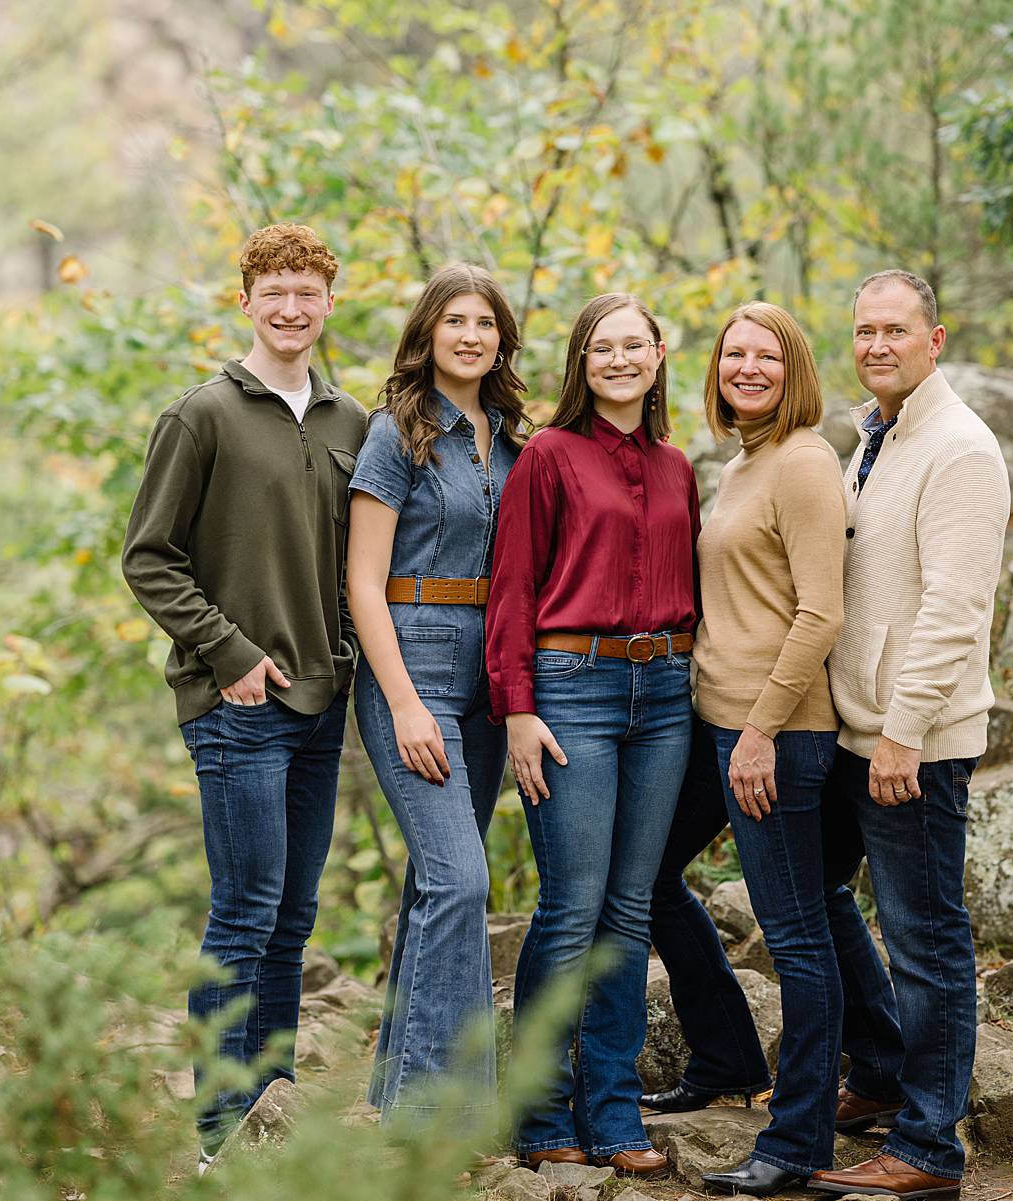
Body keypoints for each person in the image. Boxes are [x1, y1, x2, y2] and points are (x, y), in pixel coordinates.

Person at [120, 223, 367, 1164]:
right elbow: (149, 557)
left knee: (293, 919)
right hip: (237, 708)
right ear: (247, 302)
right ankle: (219, 1132)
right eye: (275, 293)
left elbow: (357, 559)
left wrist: (348, 654)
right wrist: (228, 652)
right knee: (246, 911)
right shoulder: (202, 416)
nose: (291, 309)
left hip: (322, 702)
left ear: (329, 303)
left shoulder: (351, 423)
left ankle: (272, 1115)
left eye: (307, 292)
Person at [806, 271, 1010, 1201]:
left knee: (925, 942)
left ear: (935, 340)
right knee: (809, 889)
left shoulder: (960, 448)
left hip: (911, 742)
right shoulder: (875, 437)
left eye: (895, 330)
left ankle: (928, 1148)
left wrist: (904, 731)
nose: (877, 345)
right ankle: (884, 1066)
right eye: (864, 331)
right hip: (855, 730)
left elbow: (956, 608)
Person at [485, 293, 698, 1177]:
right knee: (573, 905)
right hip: (572, 688)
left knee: (630, 907)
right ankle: (539, 1113)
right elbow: (511, 587)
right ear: (581, 361)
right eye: (601, 347)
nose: (619, 359)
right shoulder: (548, 455)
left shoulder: (678, 466)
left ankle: (611, 1112)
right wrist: (517, 706)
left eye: (633, 344)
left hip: (667, 694)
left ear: (658, 355)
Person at [655, 302, 852, 1196]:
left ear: (793, 367)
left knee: (797, 936)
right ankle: (727, 1053)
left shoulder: (804, 461)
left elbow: (822, 612)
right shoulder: (742, 462)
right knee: (648, 877)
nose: (747, 367)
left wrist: (763, 731)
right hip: (716, 720)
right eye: (733, 353)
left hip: (775, 732)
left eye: (766, 355)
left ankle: (799, 1140)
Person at [347, 263, 527, 1134]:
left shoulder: (514, 439)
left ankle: (398, 1096)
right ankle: (435, 1115)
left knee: (435, 880)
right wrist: (405, 702)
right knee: (461, 879)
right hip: (412, 667)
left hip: (490, 674)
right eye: (454, 320)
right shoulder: (396, 432)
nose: (470, 335)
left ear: (502, 340)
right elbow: (362, 580)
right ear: (427, 333)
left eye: (484, 323)